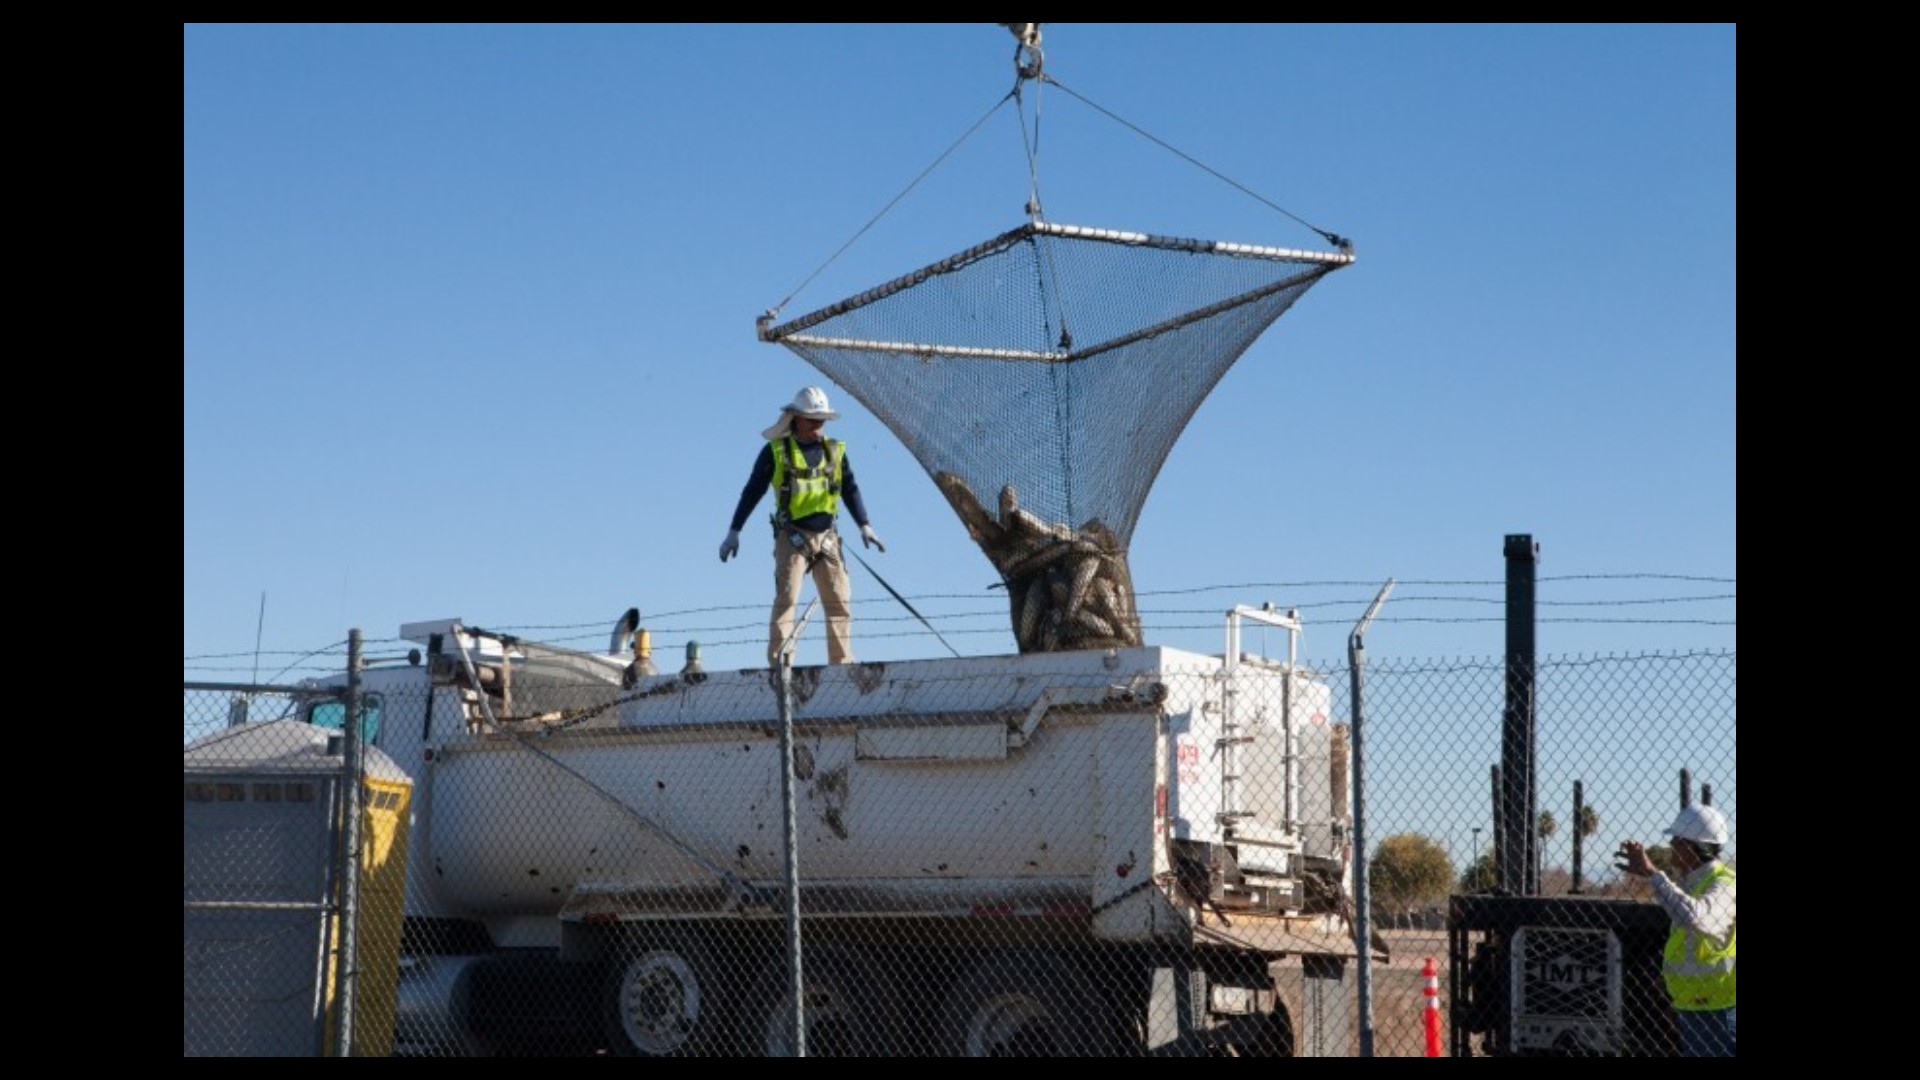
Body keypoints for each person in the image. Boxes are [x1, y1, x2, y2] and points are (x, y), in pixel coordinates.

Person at [719, 386, 884, 666]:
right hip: (792, 537)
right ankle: (781, 666)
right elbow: (752, 491)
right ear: (795, 418)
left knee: (839, 602)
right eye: (812, 420)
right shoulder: (776, 452)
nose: (817, 426)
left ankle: (842, 664)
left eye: (821, 421)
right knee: (786, 601)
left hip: (828, 537)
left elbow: (850, 488)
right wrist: (734, 531)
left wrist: (864, 525)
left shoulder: (834, 451)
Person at [1619, 804, 1736, 1057]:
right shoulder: (1692, 883)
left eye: (1677, 840)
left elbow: (1694, 917)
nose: (1671, 845)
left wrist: (1653, 873)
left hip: (1719, 1010)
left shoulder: (1723, 885)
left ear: (1693, 848)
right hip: (1694, 1005)